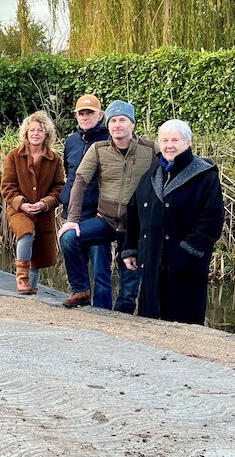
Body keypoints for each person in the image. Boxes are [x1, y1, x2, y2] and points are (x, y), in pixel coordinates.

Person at [121, 120, 224, 325]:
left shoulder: (205, 176)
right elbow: (133, 214)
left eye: (175, 140)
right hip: (152, 262)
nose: (169, 145)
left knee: (184, 327)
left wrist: (187, 250)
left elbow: (211, 219)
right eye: (165, 140)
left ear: (188, 142)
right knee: (151, 327)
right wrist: (131, 248)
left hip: (186, 264)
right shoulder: (151, 175)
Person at [59, 100, 155, 313]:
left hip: (135, 228)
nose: (117, 125)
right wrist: (73, 220)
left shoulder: (150, 150)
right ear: (108, 124)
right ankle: (81, 290)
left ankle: (121, 323)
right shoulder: (99, 149)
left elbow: (168, 174)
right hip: (106, 221)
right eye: (113, 120)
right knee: (69, 238)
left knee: (128, 291)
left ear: (132, 124)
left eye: (122, 120)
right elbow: (80, 181)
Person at [1, 111, 65, 294]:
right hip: (19, 209)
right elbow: (7, 185)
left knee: (40, 250)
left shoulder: (54, 159)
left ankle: (33, 288)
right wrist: (21, 203)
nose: (36, 133)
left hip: (43, 212)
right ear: (26, 133)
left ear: (47, 134)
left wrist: (46, 203)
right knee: (26, 234)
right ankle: (22, 279)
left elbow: (59, 187)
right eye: (32, 130)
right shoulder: (14, 156)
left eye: (40, 130)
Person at [58, 94, 113, 307]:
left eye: (89, 113)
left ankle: (103, 311)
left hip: (98, 214)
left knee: (101, 268)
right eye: (81, 113)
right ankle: (80, 295)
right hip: (73, 213)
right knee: (74, 257)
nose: (85, 117)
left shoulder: (109, 140)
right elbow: (69, 173)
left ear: (100, 115)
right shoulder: (71, 141)